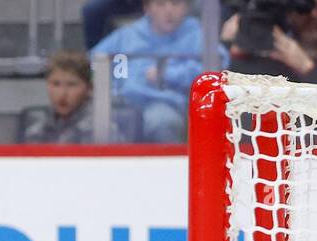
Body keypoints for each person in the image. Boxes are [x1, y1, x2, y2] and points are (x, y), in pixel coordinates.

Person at [89, 0, 211, 143]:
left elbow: (214, 68)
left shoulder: (197, 34)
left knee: (161, 123)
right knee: (98, 122)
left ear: (186, 7)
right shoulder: (128, 33)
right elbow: (94, 61)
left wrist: (167, 74)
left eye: (176, 3)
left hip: (165, 103)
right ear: (147, 8)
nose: (168, 11)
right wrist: (111, 88)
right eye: (160, 4)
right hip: (122, 103)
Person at [15, 50, 95, 144]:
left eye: (72, 85)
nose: (62, 93)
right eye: (56, 84)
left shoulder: (101, 127)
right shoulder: (34, 128)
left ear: (90, 88)